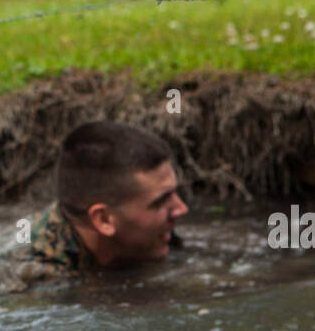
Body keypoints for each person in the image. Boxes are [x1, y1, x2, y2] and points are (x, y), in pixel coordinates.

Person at [15, 121, 189, 282]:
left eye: (175, 193)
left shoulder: (151, 231)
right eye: (160, 202)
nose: (181, 209)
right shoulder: (35, 274)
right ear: (104, 219)